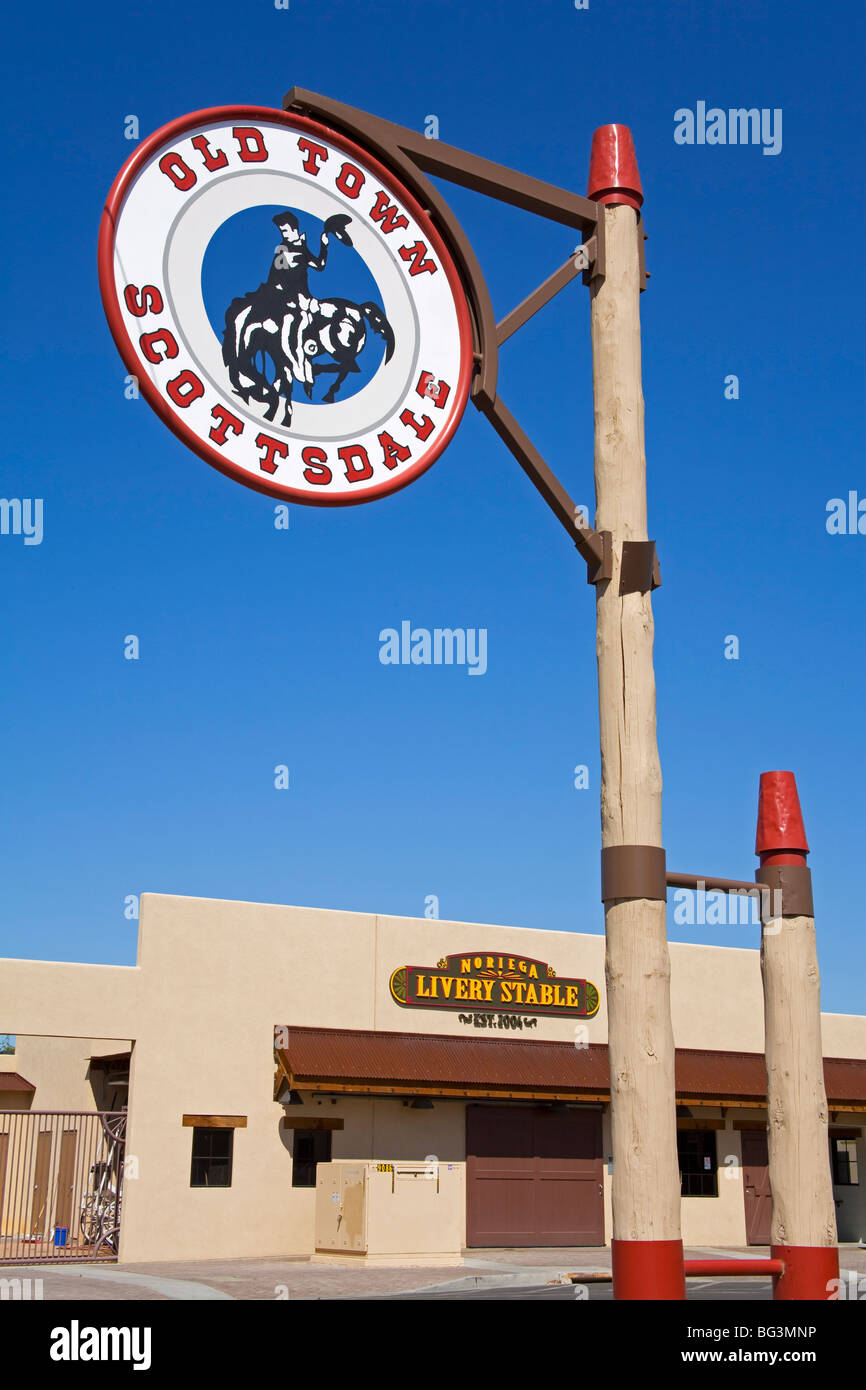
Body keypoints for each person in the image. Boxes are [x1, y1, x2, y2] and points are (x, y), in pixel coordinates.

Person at [267, 210, 353, 389]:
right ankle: (297, 366)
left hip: (303, 301)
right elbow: (275, 276)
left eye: (285, 231)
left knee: (297, 325)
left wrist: (324, 245)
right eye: (281, 232)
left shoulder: (301, 247)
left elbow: (319, 265)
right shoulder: (282, 249)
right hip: (286, 300)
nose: (283, 235)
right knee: (288, 326)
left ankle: (301, 366)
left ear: (294, 229)